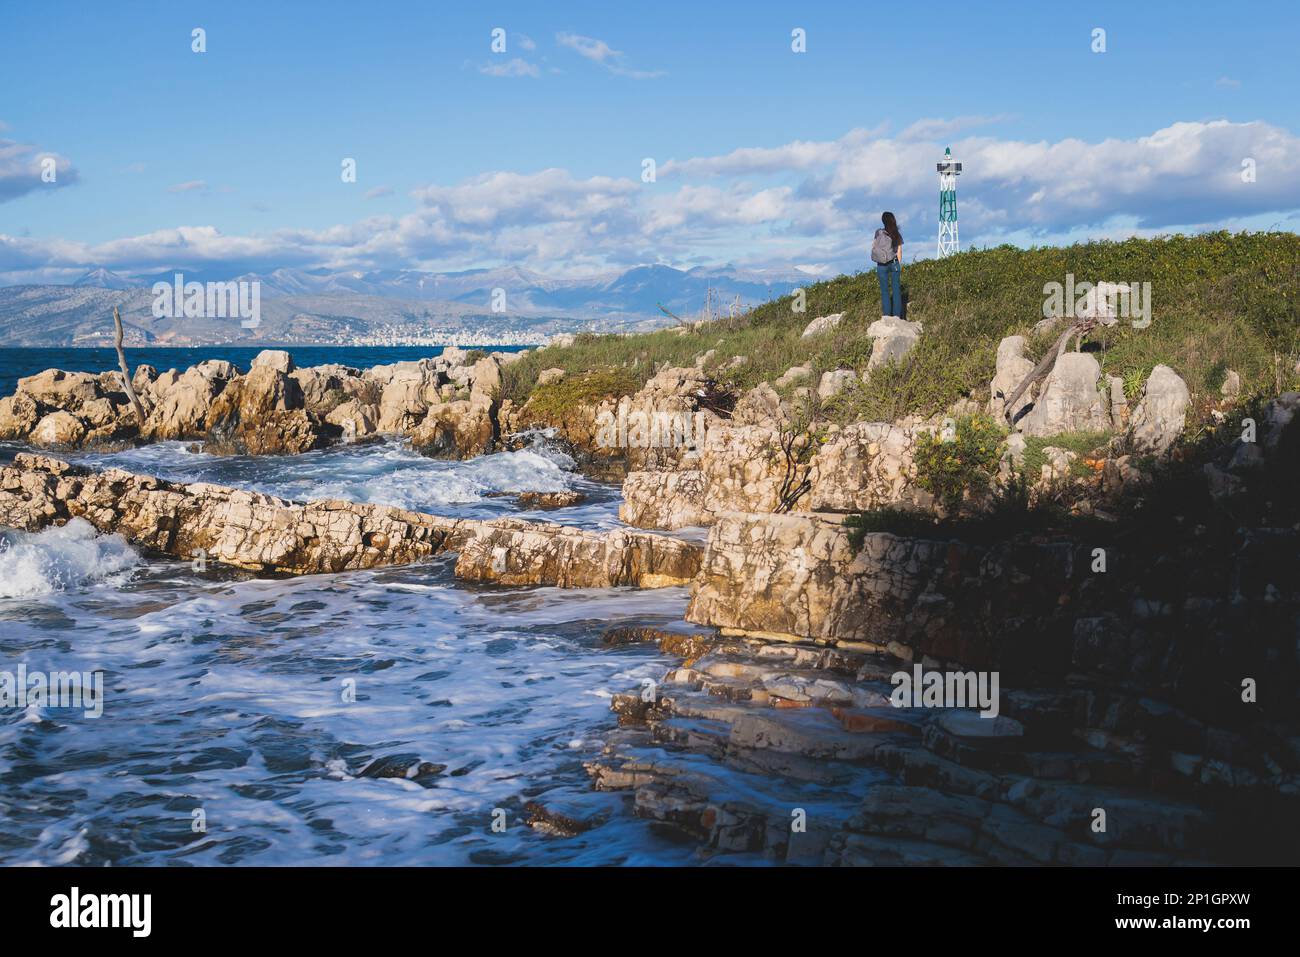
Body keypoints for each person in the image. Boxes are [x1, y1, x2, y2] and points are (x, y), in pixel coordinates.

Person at [872, 211, 904, 317]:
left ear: (883, 221)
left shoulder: (878, 232)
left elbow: (874, 247)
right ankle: (897, 317)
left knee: (885, 291)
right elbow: (899, 251)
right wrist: (898, 265)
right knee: (896, 291)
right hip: (894, 263)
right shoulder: (896, 233)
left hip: (881, 265)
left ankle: (886, 316)